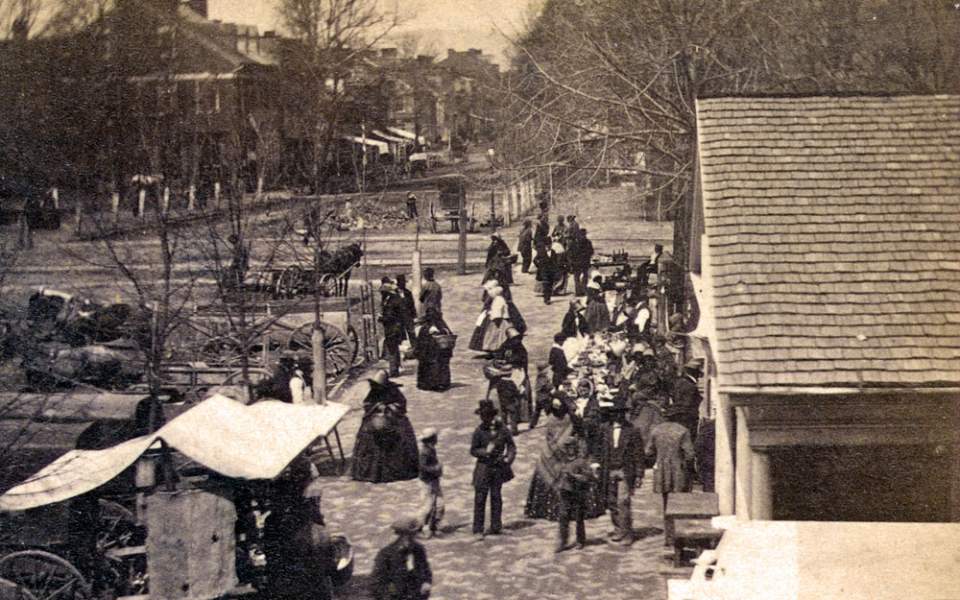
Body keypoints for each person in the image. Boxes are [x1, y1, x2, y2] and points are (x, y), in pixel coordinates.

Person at [262, 482, 336, 600]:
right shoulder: (320, 532)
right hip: (311, 587)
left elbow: (270, 556)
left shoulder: (272, 522)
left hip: (288, 586)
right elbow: (331, 566)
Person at [351, 370, 420, 483]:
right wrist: (377, 406)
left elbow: (402, 405)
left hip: (393, 419)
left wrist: (389, 408)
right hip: (375, 420)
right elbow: (367, 405)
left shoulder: (394, 390)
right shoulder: (373, 391)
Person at [597, 399, 643, 546]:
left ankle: (628, 533)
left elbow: (638, 454)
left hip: (625, 471)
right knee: (611, 502)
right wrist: (595, 464)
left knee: (623, 501)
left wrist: (639, 474)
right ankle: (618, 529)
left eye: (620, 413)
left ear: (624, 414)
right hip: (608, 470)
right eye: (614, 413)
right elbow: (598, 450)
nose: (617, 416)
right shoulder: (605, 429)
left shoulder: (633, 430)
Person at [470, 400, 516, 538]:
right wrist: (484, 452)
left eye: (489, 416)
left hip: (498, 467)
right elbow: (473, 450)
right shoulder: (478, 431)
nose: (487, 419)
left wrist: (508, 458)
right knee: (480, 498)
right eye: (484, 416)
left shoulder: (503, 429)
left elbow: (511, 446)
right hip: (483, 468)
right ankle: (478, 529)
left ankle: (496, 526)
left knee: (496, 497)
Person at [646, 406, 696, 519]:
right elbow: (690, 453)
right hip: (678, 466)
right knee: (678, 494)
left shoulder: (656, 430)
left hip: (661, 466)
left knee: (665, 494)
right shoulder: (682, 430)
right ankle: (677, 520)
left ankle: (667, 518)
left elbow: (648, 451)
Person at [371, 516, 432, 600]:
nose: (411, 540)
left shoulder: (419, 550)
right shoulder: (386, 555)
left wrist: (426, 582)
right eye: (408, 537)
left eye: (413, 536)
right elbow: (377, 584)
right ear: (401, 536)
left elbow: (426, 571)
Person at [555, 436, 595, 553]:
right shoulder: (563, 461)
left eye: (571, 447)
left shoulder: (581, 461)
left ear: (575, 447)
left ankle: (580, 540)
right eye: (567, 447)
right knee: (563, 516)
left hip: (577, 492)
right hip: (564, 492)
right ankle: (562, 541)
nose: (569, 449)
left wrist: (574, 476)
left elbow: (588, 477)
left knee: (579, 517)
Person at [489, 327, 528, 434]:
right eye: (515, 338)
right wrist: (500, 362)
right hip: (507, 375)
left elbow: (523, 361)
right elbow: (496, 358)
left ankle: (517, 419)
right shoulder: (504, 347)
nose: (517, 341)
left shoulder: (521, 348)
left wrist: (513, 362)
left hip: (518, 372)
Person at [414, 307, 453, 392]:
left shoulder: (425, 328)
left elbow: (419, 343)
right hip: (438, 353)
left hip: (429, 354)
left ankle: (430, 383)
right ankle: (441, 382)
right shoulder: (442, 326)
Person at [468, 281, 511, 353]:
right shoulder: (496, 299)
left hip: (497, 320)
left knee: (496, 335)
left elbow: (497, 312)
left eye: (489, 291)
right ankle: (494, 349)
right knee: (492, 335)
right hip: (495, 319)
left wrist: (492, 315)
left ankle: (496, 349)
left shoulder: (499, 299)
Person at [417, 428, 444, 538]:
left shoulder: (431, 449)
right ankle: (423, 527)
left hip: (433, 480)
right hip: (427, 482)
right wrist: (435, 468)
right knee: (427, 506)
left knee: (439, 504)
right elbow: (422, 467)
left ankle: (434, 526)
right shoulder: (425, 452)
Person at [672, 360, 703, 445]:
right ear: (695, 373)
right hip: (688, 417)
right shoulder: (690, 385)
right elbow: (688, 403)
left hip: (678, 415)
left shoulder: (679, 382)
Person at [380, 279, 406, 377]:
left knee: (392, 349)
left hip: (392, 328)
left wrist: (381, 318)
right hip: (397, 327)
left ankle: (393, 371)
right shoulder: (396, 298)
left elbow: (390, 316)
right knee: (394, 348)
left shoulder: (391, 301)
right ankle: (396, 367)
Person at [572, 228, 594, 296]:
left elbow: (591, 251)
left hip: (580, 263)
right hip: (582, 263)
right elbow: (591, 252)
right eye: (582, 235)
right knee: (581, 277)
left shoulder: (575, 243)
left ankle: (580, 291)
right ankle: (581, 291)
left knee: (579, 277)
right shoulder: (587, 242)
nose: (583, 236)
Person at [396, 274, 418, 345]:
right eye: (402, 282)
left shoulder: (408, 293)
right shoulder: (394, 293)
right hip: (399, 317)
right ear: (398, 283)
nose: (403, 284)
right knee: (400, 335)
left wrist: (414, 316)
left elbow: (412, 305)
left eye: (404, 282)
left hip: (408, 316)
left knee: (412, 333)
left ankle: (415, 348)